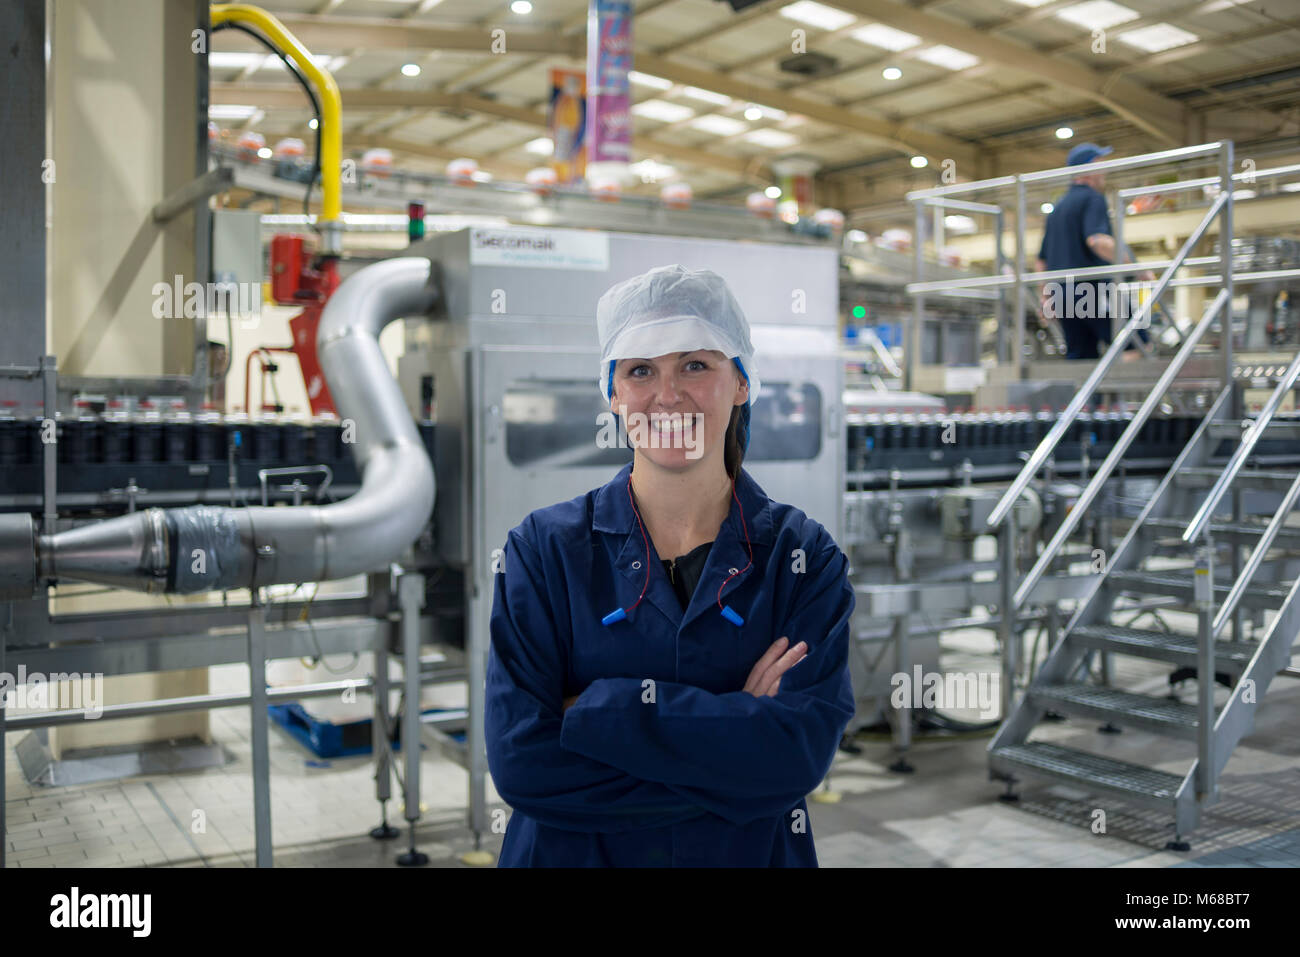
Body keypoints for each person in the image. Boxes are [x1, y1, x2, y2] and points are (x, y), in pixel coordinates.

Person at [485, 264, 856, 867]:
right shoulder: (544, 551)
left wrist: (598, 710)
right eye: (639, 370)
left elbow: (797, 758)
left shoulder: (803, 559)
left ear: (741, 382)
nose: (667, 394)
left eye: (695, 364)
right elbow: (523, 765)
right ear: (612, 392)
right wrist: (736, 742)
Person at [1037, 142, 1156, 360]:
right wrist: (1137, 269)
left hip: (1061, 295)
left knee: (1082, 359)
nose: (1104, 172)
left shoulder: (1058, 208)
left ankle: (1090, 395)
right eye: (1100, 165)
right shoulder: (1093, 198)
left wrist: (1046, 298)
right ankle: (1123, 394)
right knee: (1137, 346)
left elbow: (1041, 261)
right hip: (1091, 291)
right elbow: (1098, 241)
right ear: (1087, 170)